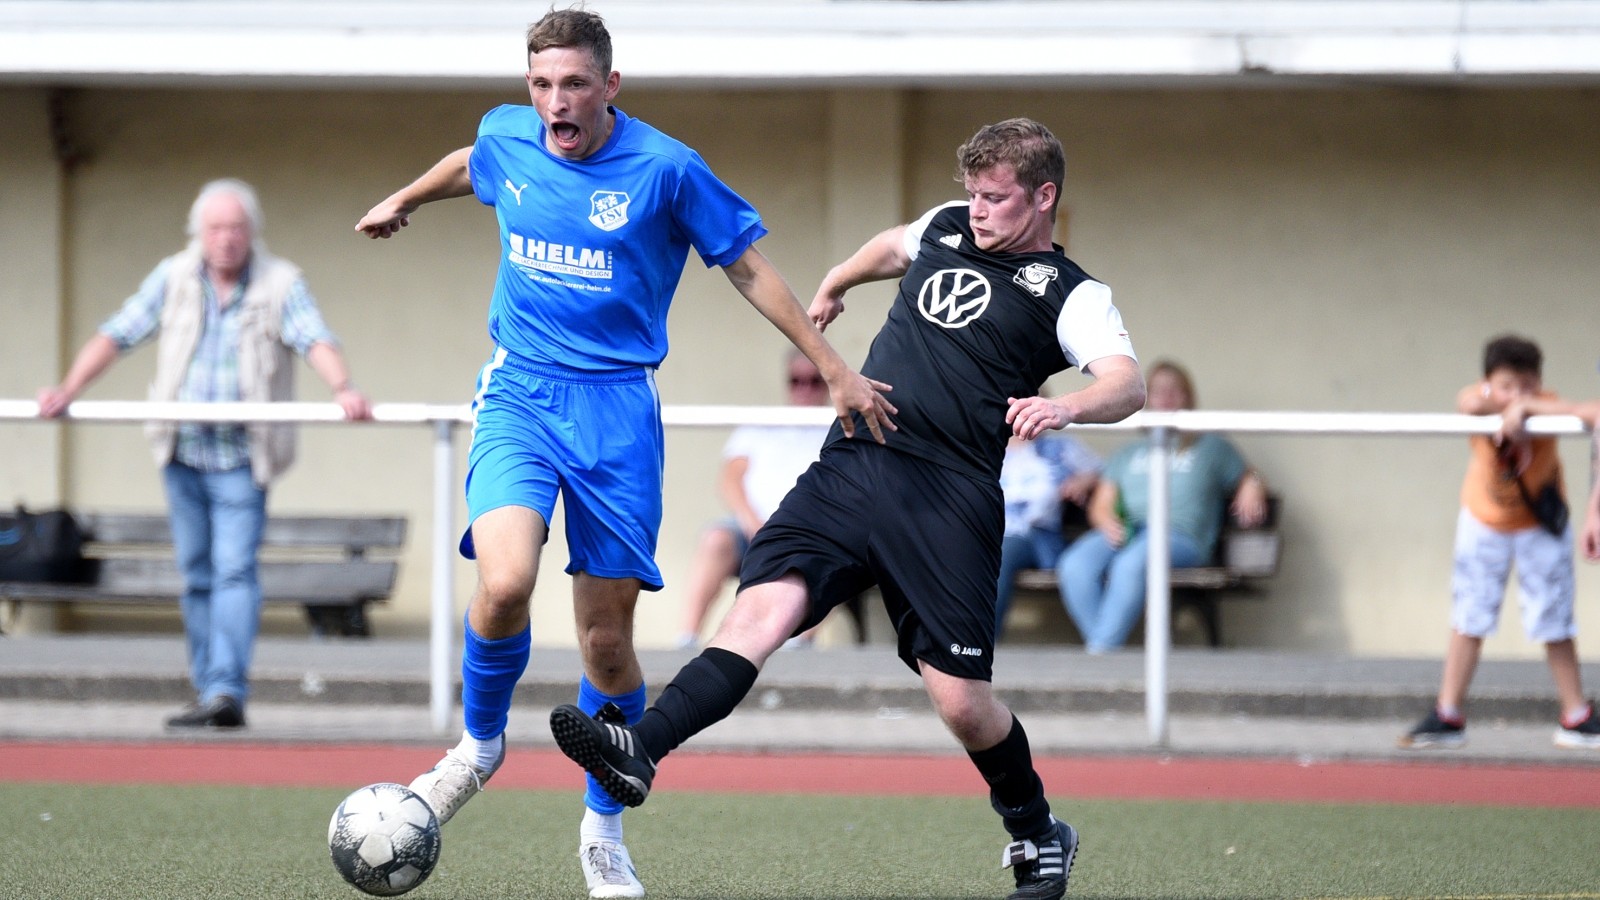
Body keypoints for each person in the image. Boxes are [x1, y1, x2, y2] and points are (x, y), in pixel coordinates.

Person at [352, 8, 892, 898]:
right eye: (539, 86)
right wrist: (406, 198)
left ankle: (603, 826)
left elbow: (748, 266)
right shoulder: (509, 136)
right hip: (519, 393)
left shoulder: (667, 169)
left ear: (610, 86)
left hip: (616, 417)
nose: (553, 105)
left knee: (605, 645)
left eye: (571, 86)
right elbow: (471, 162)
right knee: (505, 581)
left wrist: (832, 368)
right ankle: (477, 748)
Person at [549, 116, 1146, 900]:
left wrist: (1068, 409)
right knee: (757, 617)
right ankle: (640, 748)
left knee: (963, 704)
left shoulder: (1074, 294)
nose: (976, 209)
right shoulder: (945, 224)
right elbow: (891, 247)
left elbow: (1126, 384)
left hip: (948, 498)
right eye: (972, 193)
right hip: (854, 461)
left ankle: (1037, 830)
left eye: (996, 199)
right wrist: (837, 279)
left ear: (1043, 197)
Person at [36, 178, 373, 730]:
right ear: (199, 233)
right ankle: (208, 689)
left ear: (251, 234)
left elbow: (315, 338)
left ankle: (225, 692)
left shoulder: (279, 282)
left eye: (236, 229)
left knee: (235, 571)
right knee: (196, 573)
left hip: (244, 455)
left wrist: (344, 389)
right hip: (182, 451)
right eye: (216, 229)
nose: (226, 240)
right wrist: (67, 389)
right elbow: (118, 333)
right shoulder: (173, 277)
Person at [1400, 335, 1599, 750]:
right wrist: (1507, 406)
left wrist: (1528, 406)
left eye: (1528, 384)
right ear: (1489, 381)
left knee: (1554, 618)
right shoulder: (1478, 399)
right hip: (1484, 521)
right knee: (1469, 614)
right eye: (1508, 383)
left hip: (1539, 526)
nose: (1519, 393)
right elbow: (1468, 402)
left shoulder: (1547, 403)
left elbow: (1592, 412)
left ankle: (1576, 715)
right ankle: (1448, 714)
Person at [1055, 360, 1266, 653]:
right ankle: (1104, 652)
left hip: (1180, 536)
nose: (1166, 398)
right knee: (1074, 565)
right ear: (1146, 399)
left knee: (1130, 565)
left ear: (1188, 397)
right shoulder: (1129, 452)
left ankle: (1099, 656)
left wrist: (1251, 485)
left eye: (1175, 391)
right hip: (1130, 531)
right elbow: (1102, 502)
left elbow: (1248, 474)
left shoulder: (1211, 446)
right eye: (1157, 391)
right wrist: (1106, 521)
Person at [676, 350, 832, 650]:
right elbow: (730, 480)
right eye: (796, 381)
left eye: (814, 381)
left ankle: (798, 645)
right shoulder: (763, 422)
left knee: (839, 546)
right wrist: (750, 520)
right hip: (753, 529)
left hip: (811, 534)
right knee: (715, 538)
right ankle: (687, 638)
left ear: (827, 383)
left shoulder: (838, 427)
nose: (804, 389)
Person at [994, 433, 1101, 639]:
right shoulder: (987, 448)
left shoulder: (1060, 447)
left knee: (998, 555)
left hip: (1035, 536)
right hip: (986, 535)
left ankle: (982, 644)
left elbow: (1103, 470)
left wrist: (1083, 481)